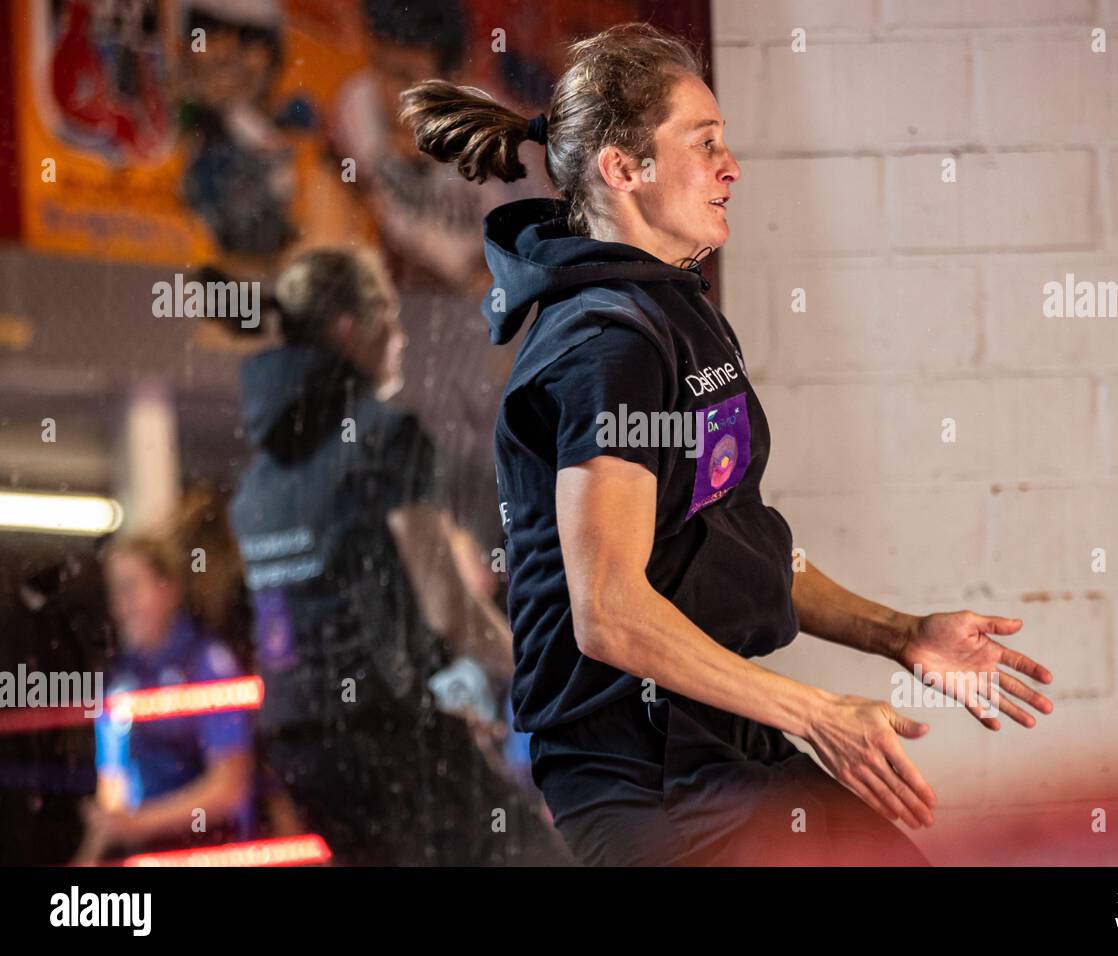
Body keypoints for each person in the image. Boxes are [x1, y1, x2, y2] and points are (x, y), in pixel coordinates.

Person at [400, 22, 1056, 866]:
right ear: (623, 169)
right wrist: (820, 712)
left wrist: (901, 634)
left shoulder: (673, 311)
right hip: (647, 779)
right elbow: (610, 615)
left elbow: (724, 539)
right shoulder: (606, 344)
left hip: (724, 744)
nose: (731, 167)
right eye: (704, 144)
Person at [227, 246, 571, 865]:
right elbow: (449, 610)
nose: (402, 334)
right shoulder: (385, 435)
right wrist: (553, 676)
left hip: (298, 744)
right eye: (388, 312)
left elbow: (338, 611)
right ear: (348, 329)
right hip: (383, 734)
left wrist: (437, 681)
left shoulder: (259, 477)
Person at [74, 534, 255, 863]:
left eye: (130, 588)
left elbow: (230, 788)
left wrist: (138, 823)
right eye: (114, 591)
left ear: (166, 589)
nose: (121, 606)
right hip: (146, 852)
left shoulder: (208, 665)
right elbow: (113, 784)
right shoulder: (121, 676)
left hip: (211, 851)